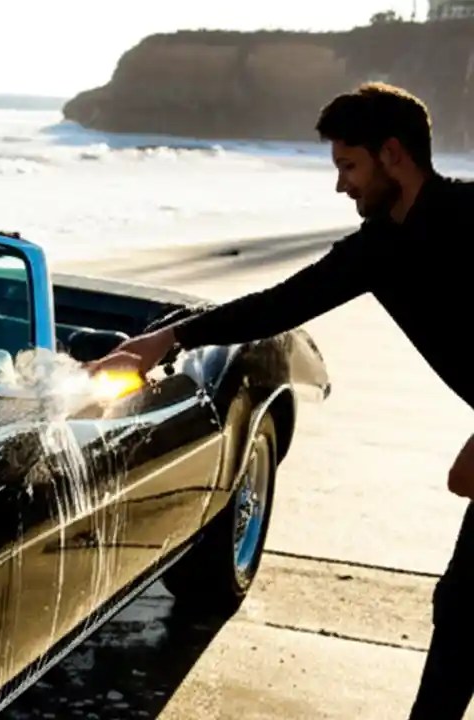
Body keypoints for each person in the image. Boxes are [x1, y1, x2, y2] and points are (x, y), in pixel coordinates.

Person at [83, 81, 474, 718]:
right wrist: (170, 338)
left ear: (395, 155)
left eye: (350, 166)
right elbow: (283, 304)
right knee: (462, 610)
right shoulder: (379, 248)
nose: (342, 186)